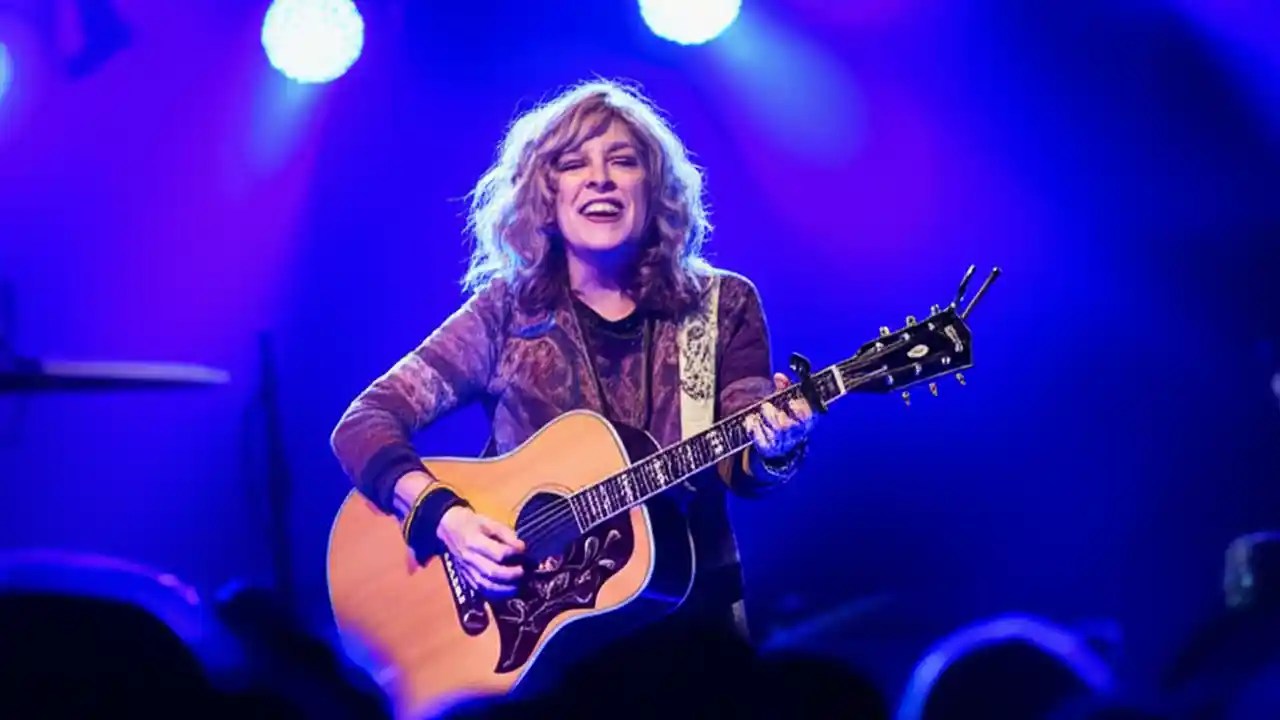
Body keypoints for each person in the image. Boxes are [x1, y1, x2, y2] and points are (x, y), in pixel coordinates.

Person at [329, 78, 818, 650]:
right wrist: (446, 517)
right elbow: (364, 423)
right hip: (536, 641)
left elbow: (744, 461)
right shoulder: (505, 312)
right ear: (545, 193)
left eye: (623, 160)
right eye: (572, 163)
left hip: (690, 624)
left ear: (654, 188)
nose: (601, 179)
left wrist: (775, 446)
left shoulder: (721, 304)